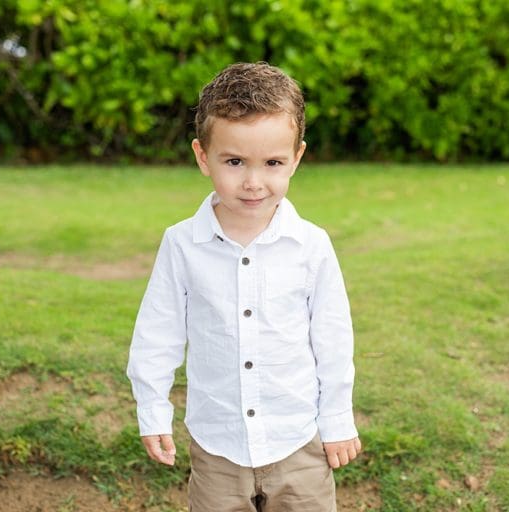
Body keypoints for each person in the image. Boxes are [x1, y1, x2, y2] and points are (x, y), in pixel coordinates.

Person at [127, 62, 361, 511]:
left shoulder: (310, 245)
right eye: (234, 162)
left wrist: (337, 417)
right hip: (218, 447)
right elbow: (158, 332)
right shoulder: (182, 244)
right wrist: (153, 408)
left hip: (299, 443)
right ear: (202, 156)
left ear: (297, 157)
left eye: (273, 163)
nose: (254, 182)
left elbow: (332, 338)